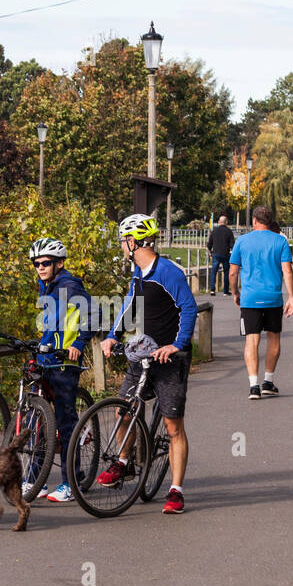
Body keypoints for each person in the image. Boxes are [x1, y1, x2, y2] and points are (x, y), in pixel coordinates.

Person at [101, 214, 196, 515]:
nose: (121, 245)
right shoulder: (138, 274)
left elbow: (189, 307)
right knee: (123, 410)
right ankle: (124, 462)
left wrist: (176, 345)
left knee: (173, 426)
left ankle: (176, 490)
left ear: (134, 241)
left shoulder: (167, 272)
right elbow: (130, 305)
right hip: (144, 354)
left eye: (123, 240)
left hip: (170, 358)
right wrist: (112, 336)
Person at [29, 237, 91, 503]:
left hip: (65, 362)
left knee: (65, 424)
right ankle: (35, 480)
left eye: (45, 263)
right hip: (47, 360)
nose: (40, 267)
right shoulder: (47, 285)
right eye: (36, 263)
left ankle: (70, 482)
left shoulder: (69, 285)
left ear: (59, 263)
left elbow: (94, 316)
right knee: (39, 423)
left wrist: (78, 344)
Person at [229, 205, 293, 399]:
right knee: (274, 338)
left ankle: (253, 386)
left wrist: (235, 292)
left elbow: (233, 272)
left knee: (252, 340)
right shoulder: (280, 241)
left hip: (250, 299)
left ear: (254, 221)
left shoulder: (242, 241)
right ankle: (268, 381)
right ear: (270, 221)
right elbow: (287, 271)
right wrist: (291, 297)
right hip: (273, 298)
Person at [206, 215, 234, 296]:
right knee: (226, 272)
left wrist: (210, 252)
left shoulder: (214, 231)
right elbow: (232, 245)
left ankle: (212, 290)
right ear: (226, 222)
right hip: (225, 254)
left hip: (216, 254)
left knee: (214, 272)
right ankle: (225, 291)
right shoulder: (229, 231)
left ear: (219, 222)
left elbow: (209, 244)